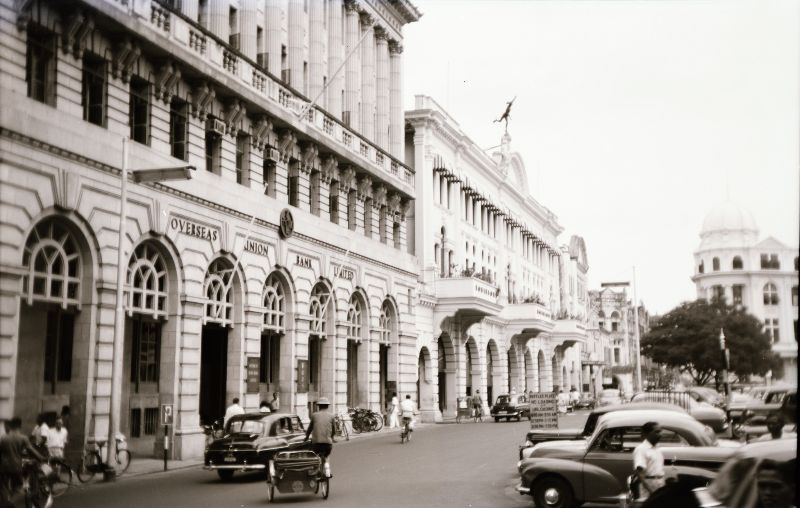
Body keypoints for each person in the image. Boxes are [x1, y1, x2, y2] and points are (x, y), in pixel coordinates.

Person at [0, 417, 46, 507]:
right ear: (20, 426)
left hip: (3, 467)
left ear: (11, 426)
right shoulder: (23, 438)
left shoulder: (3, 438)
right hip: (16, 466)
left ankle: (5, 504)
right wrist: (42, 458)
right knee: (18, 488)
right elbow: (31, 451)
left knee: (3, 488)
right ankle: (9, 504)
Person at [633, 421, 666, 501]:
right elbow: (639, 473)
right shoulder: (641, 449)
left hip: (660, 484)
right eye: (657, 432)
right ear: (648, 433)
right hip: (649, 485)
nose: (660, 434)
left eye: (661, 431)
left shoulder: (657, 449)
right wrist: (651, 491)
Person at [304, 397, 335, 478]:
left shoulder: (314, 415)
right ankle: (328, 468)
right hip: (327, 443)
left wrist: (306, 437)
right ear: (327, 406)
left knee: (314, 455)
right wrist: (331, 437)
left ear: (319, 406)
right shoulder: (332, 416)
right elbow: (334, 430)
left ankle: (315, 469)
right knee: (327, 456)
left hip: (316, 443)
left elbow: (310, 428)